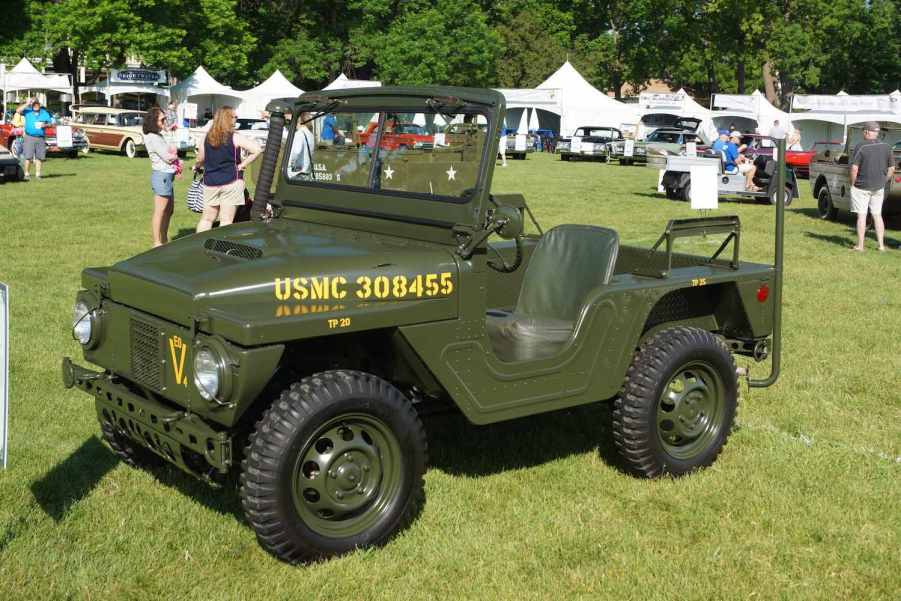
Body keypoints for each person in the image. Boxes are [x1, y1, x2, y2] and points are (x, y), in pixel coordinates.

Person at [194, 106, 262, 232]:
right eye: (234, 117)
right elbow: (257, 149)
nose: (236, 119)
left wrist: (197, 166)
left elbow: (200, 159)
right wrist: (243, 164)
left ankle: (199, 248)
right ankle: (221, 249)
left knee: (207, 219)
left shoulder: (206, 137)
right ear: (227, 119)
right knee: (226, 221)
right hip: (232, 181)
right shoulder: (235, 137)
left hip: (210, 182)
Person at [849, 122, 894, 252]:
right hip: (879, 187)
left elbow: (854, 168)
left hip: (861, 187)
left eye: (863, 131)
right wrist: (884, 181)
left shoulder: (861, 146)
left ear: (867, 132)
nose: (863, 133)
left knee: (862, 216)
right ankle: (881, 246)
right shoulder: (886, 147)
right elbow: (891, 168)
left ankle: (860, 246)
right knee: (877, 215)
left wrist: (852, 183)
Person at [143, 107, 179, 247]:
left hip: (166, 177)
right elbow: (168, 157)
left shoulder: (159, 135)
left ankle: (163, 240)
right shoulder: (153, 137)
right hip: (162, 176)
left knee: (169, 210)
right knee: (160, 211)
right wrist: (176, 156)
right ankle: (157, 242)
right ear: (154, 121)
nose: (165, 121)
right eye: (162, 119)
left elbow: (170, 149)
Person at [16, 98, 53, 180]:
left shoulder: (44, 113)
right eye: (34, 104)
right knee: (28, 156)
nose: (35, 106)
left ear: (39, 105)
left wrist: (45, 125)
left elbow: (51, 123)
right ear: (32, 105)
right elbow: (18, 110)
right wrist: (27, 103)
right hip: (29, 137)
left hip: (40, 138)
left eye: (37, 104)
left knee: (39, 157)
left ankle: (38, 174)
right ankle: (26, 174)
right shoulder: (28, 111)